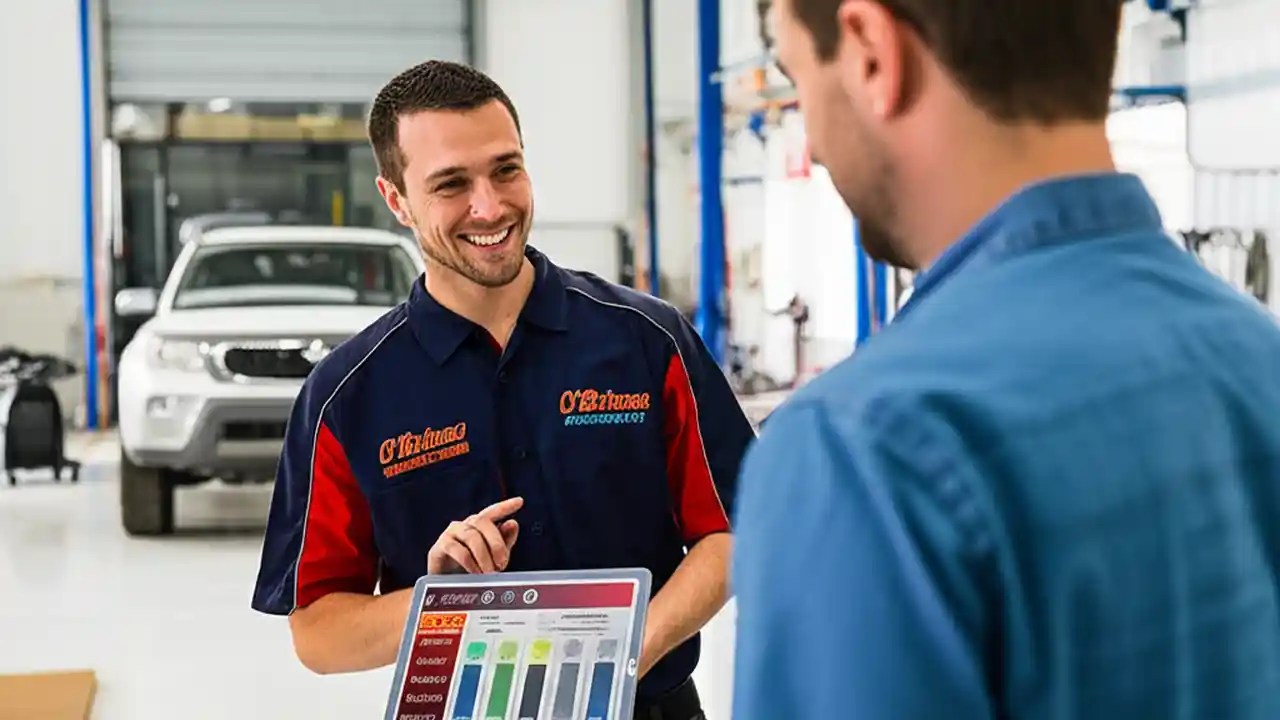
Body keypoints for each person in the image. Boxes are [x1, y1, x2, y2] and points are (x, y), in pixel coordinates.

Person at [731, 1, 1280, 719]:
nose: (818, 143)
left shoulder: (861, 447)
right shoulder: (1256, 356)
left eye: (796, 74)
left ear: (870, 50)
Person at [251, 60, 754, 720]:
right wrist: (444, 607)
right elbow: (316, 630)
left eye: (506, 169)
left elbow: (734, 529)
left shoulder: (647, 343)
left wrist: (634, 649)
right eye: (452, 184)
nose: (489, 207)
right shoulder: (346, 398)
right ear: (396, 199)